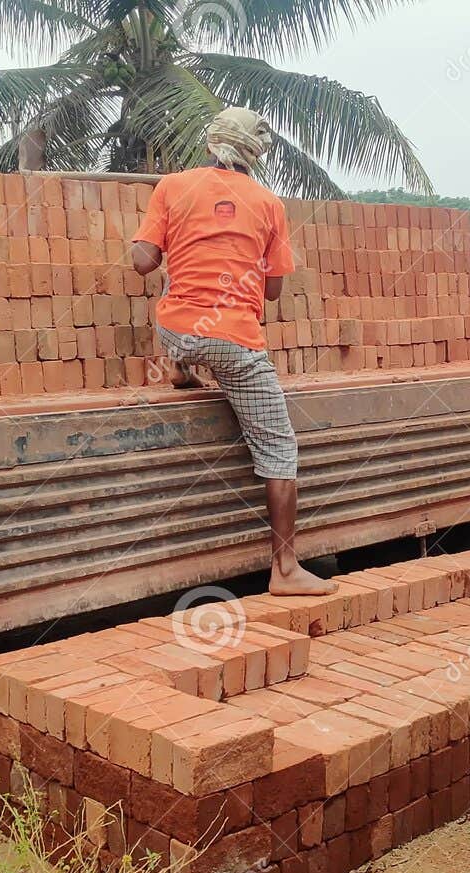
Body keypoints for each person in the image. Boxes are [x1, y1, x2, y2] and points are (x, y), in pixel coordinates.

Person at [132, 107, 337, 597]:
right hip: (233, 342)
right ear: (254, 155)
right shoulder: (268, 204)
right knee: (278, 446)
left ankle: (181, 368)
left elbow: (143, 262)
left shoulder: (170, 186)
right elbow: (271, 293)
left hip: (175, 332)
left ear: (211, 144)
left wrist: (161, 241)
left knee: (175, 296)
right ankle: (285, 570)